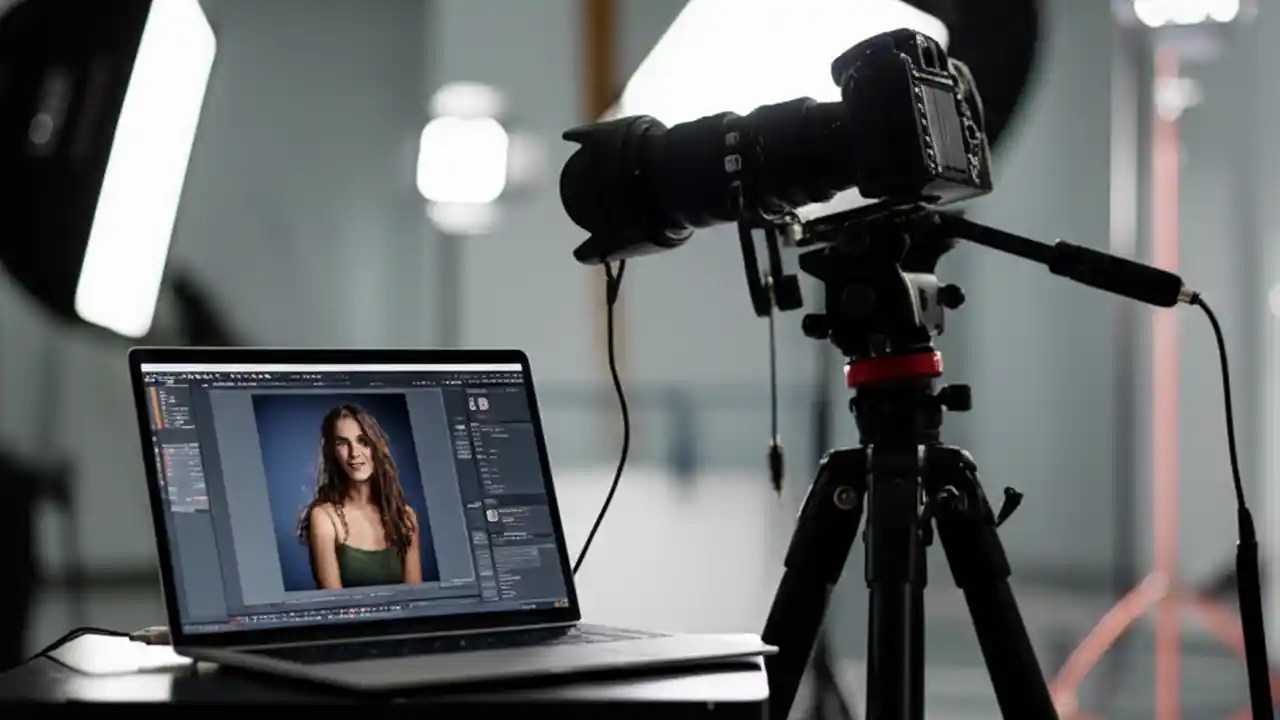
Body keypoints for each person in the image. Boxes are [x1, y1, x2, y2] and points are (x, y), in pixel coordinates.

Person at [297, 404, 422, 588]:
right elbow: (335, 605)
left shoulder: (405, 517)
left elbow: (417, 599)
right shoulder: (324, 517)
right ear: (333, 453)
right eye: (342, 443)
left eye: (362, 441)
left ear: (374, 447)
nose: (354, 453)